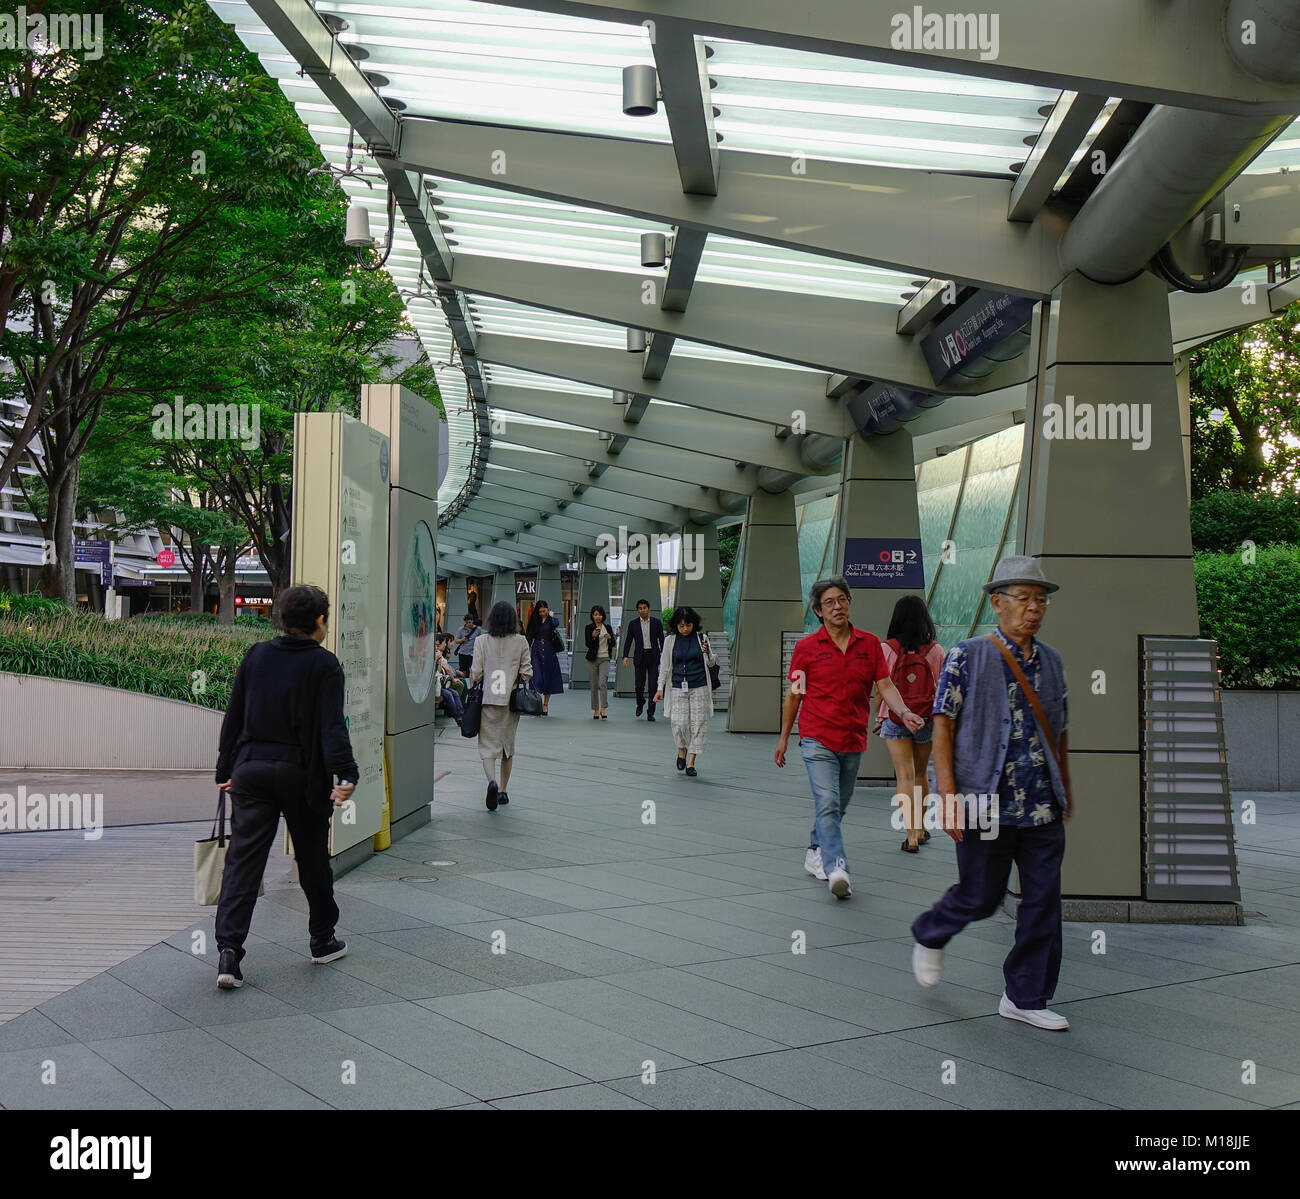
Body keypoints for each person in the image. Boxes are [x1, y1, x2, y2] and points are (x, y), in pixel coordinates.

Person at [910, 556, 1074, 1031]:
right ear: (997, 603)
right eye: (1023, 599)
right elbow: (943, 725)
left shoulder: (1053, 662)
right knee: (980, 896)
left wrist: (1066, 789)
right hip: (984, 802)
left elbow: (1059, 732)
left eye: (1040, 600)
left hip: (1041, 805)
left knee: (1043, 901)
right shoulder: (968, 655)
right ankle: (931, 933)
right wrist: (946, 797)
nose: (1034, 609)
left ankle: (1025, 995)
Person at [213, 583, 357, 990]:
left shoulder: (257, 656)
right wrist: (346, 774)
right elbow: (332, 727)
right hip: (301, 773)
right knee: (312, 860)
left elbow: (234, 715)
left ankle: (229, 953)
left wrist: (225, 767)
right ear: (319, 621)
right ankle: (322, 940)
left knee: (243, 861)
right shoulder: (325, 665)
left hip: (251, 770)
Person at [774, 577, 925, 899]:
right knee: (827, 801)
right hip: (816, 736)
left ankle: (815, 850)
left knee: (837, 805)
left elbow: (885, 685)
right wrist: (785, 737)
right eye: (829, 602)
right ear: (818, 611)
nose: (838, 606)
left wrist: (903, 711)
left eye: (842, 599)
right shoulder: (806, 648)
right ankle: (836, 867)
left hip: (853, 738)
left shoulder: (869, 644)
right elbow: (794, 695)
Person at [874, 595, 946, 853]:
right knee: (919, 773)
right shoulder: (936, 650)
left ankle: (911, 835)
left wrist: (880, 715)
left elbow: (881, 688)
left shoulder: (886, 649)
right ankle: (922, 827)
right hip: (926, 718)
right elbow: (941, 687)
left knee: (904, 774)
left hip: (895, 718)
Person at [470, 600, 533, 810]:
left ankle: (491, 782)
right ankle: (504, 791)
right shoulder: (521, 641)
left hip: (488, 700)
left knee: (488, 746)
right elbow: (526, 672)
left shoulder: (481, 641)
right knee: (507, 746)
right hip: (510, 701)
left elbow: (476, 673)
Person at [653, 605, 717, 777]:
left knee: (698, 724)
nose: (685, 629)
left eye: (688, 625)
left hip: (700, 686)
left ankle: (691, 762)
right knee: (679, 723)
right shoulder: (670, 641)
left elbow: (711, 663)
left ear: (693, 624)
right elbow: (665, 667)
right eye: (681, 626)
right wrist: (660, 688)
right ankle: (681, 750)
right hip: (677, 686)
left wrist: (708, 653)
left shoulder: (701, 638)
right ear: (676, 626)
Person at [621, 597, 665, 721]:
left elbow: (662, 640)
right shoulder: (633, 624)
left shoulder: (656, 623)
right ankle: (640, 703)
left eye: (644, 608)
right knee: (639, 685)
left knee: (652, 685)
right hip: (640, 657)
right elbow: (628, 641)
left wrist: (665, 656)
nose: (643, 610)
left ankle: (651, 712)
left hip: (653, 657)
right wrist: (625, 656)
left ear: (648, 609)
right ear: (637, 611)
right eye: (640, 608)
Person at [524, 598, 564, 715]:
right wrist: (525, 651)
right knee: (536, 677)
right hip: (536, 650)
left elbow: (556, 624)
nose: (542, 613)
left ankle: (545, 705)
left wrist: (550, 617)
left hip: (549, 651)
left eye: (544, 611)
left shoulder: (551, 620)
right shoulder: (534, 620)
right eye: (540, 611)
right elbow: (529, 636)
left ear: (547, 609)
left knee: (548, 677)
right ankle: (535, 702)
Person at [584, 604, 617, 719]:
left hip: (605, 658)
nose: (598, 617)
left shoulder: (607, 627)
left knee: (602, 683)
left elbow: (613, 643)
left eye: (600, 614)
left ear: (603, 616)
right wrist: (593, 637)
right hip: (592, 659)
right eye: (596, 614)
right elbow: (588, 644)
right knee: (593, 685)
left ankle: (603, 708)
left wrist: (610, 638)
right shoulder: (589, 628)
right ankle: (596, 710)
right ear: (592, 616)